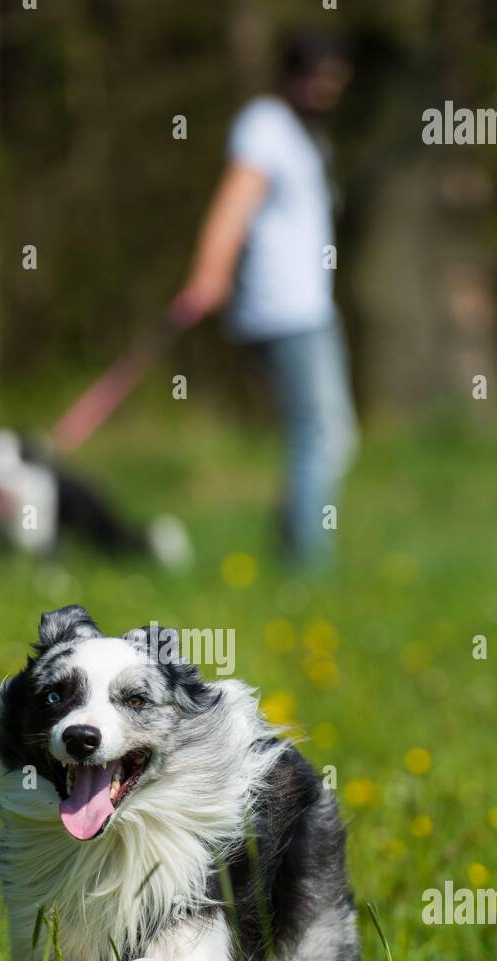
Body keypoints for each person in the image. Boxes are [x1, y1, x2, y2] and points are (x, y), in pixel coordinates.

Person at [174, 28, 358, 564]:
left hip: (309, 307)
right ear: (291, 74)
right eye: (317, 77)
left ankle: (296, 548)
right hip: (286, 309)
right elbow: (234, 204)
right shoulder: (267, 126)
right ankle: (305, 562)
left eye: (335, 79)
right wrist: (209, 274)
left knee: (326, 435)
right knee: (320, 435)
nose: (326, 89)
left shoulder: (304, 137)